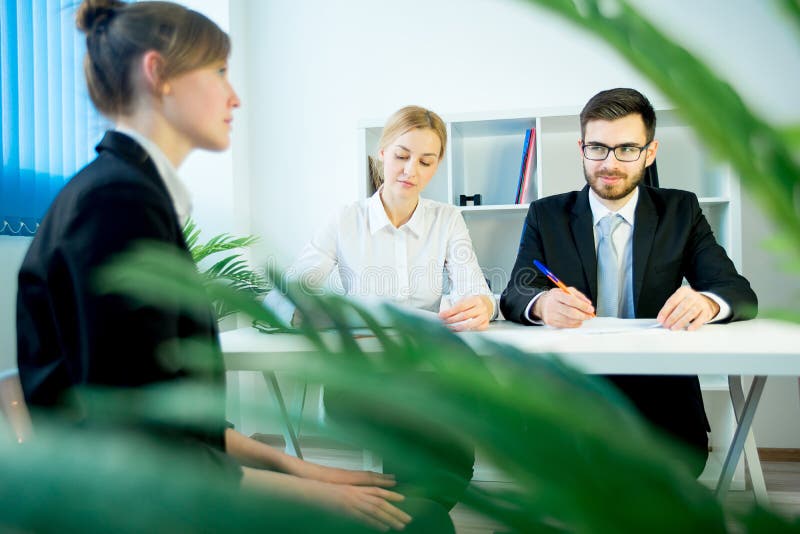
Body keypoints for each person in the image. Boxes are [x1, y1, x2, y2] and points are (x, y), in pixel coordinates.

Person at [16, 1, 453, 531]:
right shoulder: (116, 206)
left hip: (166, 491)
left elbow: (166, 407)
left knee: (420, 510)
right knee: (424, 519)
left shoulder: (127, 195)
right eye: (219, 72)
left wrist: (296, 466)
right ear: (160, 76)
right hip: (140, 510)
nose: (235, 96)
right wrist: (313, 494)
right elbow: (144, 444)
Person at [500, 88, 757, 476]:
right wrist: (542, 304)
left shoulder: (680, 211)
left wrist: (706, 303)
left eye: (626, 149)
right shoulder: (546, 213)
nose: (610, 163)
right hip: (571, 394)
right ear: (581, 148)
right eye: (598, 148)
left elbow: (737, 291)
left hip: (661, 398)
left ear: (649, 152)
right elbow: (516, 290)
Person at [265, 105, 494, 509]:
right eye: (402, 156)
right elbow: (285, 295)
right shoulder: (345, 219)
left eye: (426, 161)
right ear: (382, 152)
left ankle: (408, 511)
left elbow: (473, 287)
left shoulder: (447, 219)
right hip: (365, 377)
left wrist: (481, 304)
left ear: (437, 164)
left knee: (444, 450)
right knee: (430, 446)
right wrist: (311, 312)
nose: (411, 170)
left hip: (428, 372)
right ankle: (418, 511)